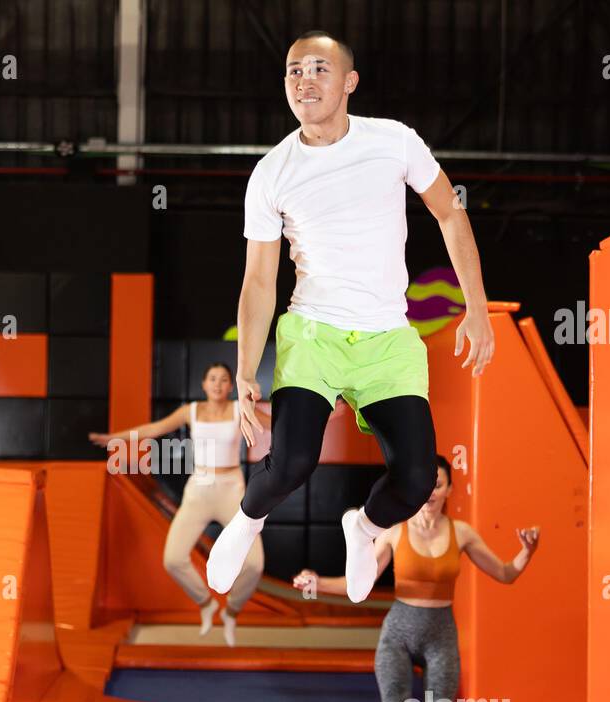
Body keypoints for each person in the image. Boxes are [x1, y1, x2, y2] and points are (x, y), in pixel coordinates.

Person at [207, 28, 495, 606]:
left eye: (318, 68)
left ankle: (362, 529)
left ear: (349, 82)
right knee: (290, 461)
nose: (304, 80)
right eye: (293, 70)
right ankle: (247, 521)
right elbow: (260, 280)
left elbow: (449, 213)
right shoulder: (272, 172)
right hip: (314, 332)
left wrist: (477, 308)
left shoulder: (393, 142)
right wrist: (244, 372)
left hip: (387, 339)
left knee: (415, 480)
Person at [293, 455, 540, 702]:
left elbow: (505, 574)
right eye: (424, 485)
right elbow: (359, 584)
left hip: (441, 636)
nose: (429, 492)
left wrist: (527, 552)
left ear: (448, 490)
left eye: (437, 484)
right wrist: (317, 584)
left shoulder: (463, 533)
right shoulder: (393, 530)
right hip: (398, 636)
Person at [89, 362, 270, 646]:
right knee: (173, 558)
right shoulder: (191, 411)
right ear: (204, 384)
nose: (218, 384)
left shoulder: (239, 410)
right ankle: (206, 604)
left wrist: (325, 414)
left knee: (255, 564)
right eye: (213, 379)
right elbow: (154, 428)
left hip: (232, 491)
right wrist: (114, 439)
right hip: (199, 489)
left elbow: (275, 422)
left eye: (224, 379)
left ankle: (231, 612)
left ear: (230, 386)